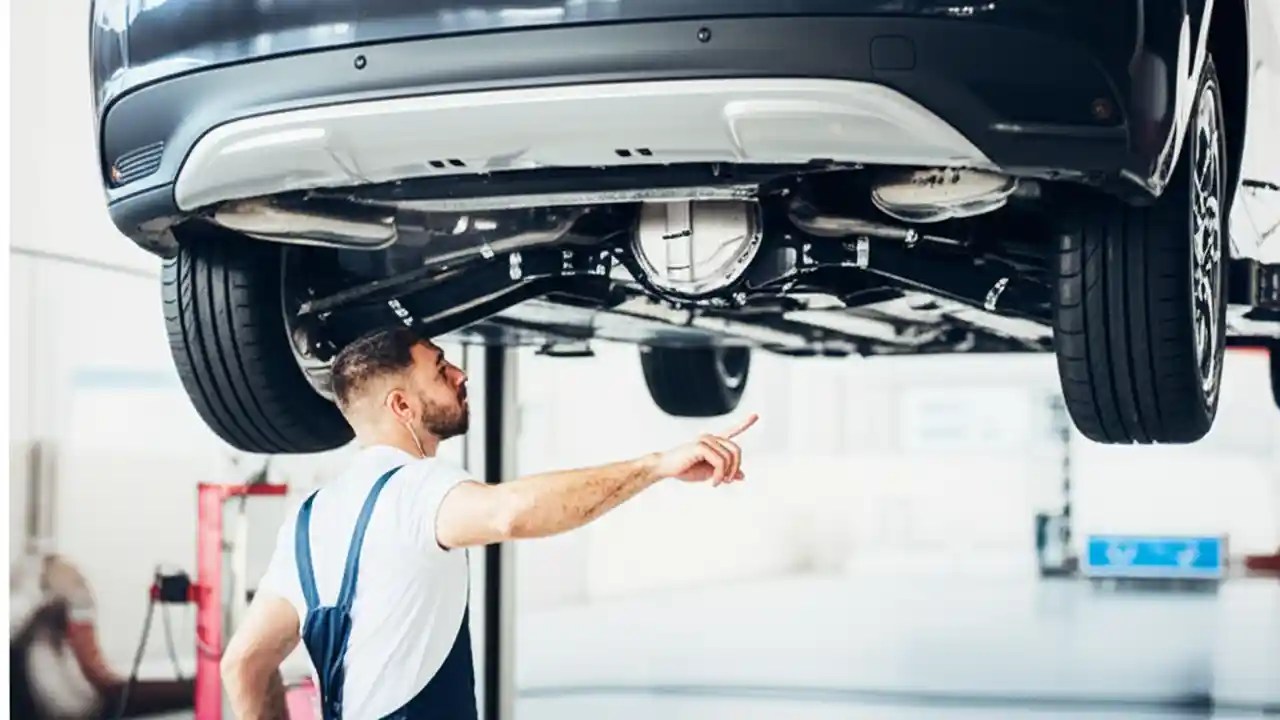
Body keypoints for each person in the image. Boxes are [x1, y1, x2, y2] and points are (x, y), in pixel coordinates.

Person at [221, 326, 757, 720]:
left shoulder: (309, 517)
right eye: (439, 368)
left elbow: (243, 664)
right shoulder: (414, 489)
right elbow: (512, 511)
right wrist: (656, 465)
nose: (461, 374)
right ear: (402, 404)